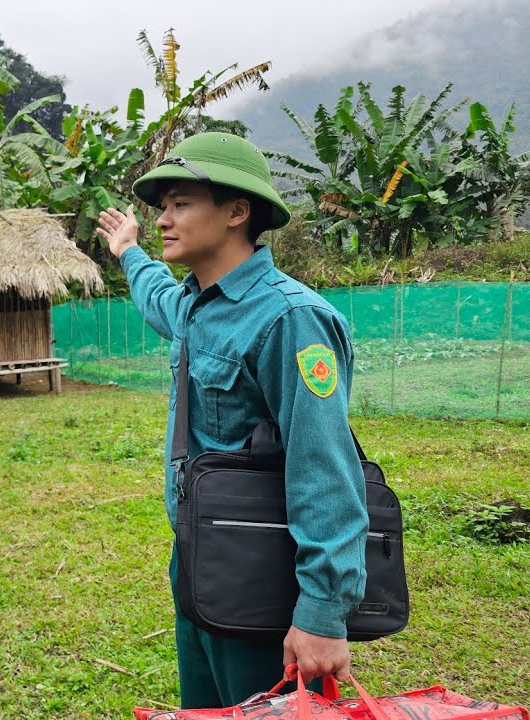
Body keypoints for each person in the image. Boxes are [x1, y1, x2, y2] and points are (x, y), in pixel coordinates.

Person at [95, 132, 368, 707]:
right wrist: (128, 251)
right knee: (208, 708)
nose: (164, 219)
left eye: (180, 204)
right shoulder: (197, 304)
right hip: (198, 556)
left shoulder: (290, 319)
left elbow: (325, 466)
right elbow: (156, 300)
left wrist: (322, 610)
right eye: (162, 206)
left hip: (263, 571)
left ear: (237, 212)